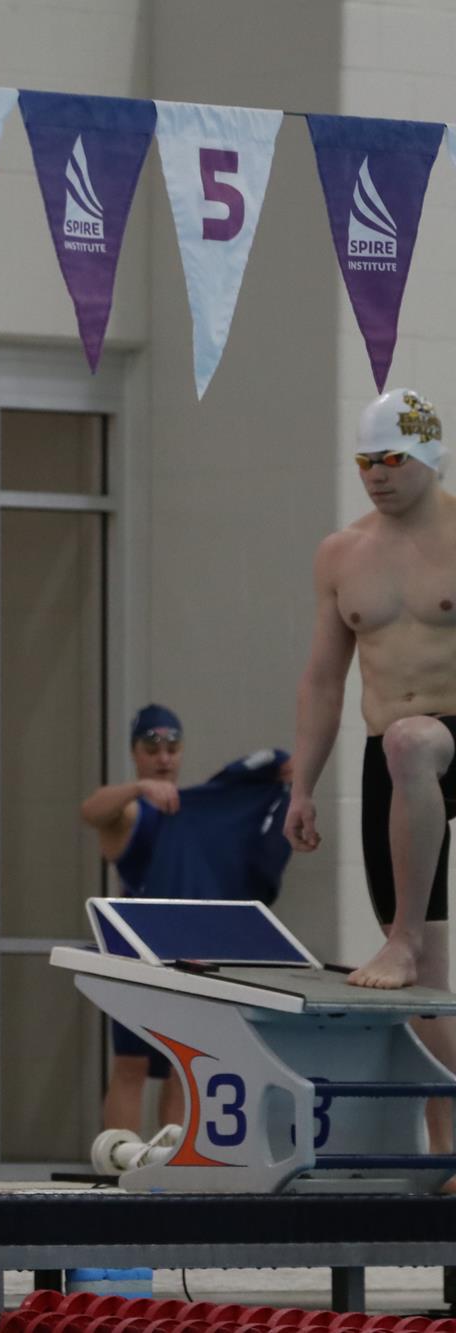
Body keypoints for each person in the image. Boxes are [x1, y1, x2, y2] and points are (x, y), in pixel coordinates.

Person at [287, 388, 456, 1143]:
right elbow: (324, 680)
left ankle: (404, 931)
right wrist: (302, 785)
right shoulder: (341, 553)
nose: (376, 476)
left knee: (415, 739)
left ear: (427, 457)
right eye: (365, 462)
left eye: (391, 460)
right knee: (423, 996)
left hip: (446, 734)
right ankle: (452, 1146)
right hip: (393, 757)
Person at [79, 705, 190, 1134]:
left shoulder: (189, 807)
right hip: (133, 949)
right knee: (131, 1064)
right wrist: (138, 788)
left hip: (183, 949)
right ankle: (119, 1170)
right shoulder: (128, 812)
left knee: (184, 1065)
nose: (163, 759)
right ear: (135, 753)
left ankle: (174, 1171)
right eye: (152, 749)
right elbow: (90, 811)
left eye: (172, 749)